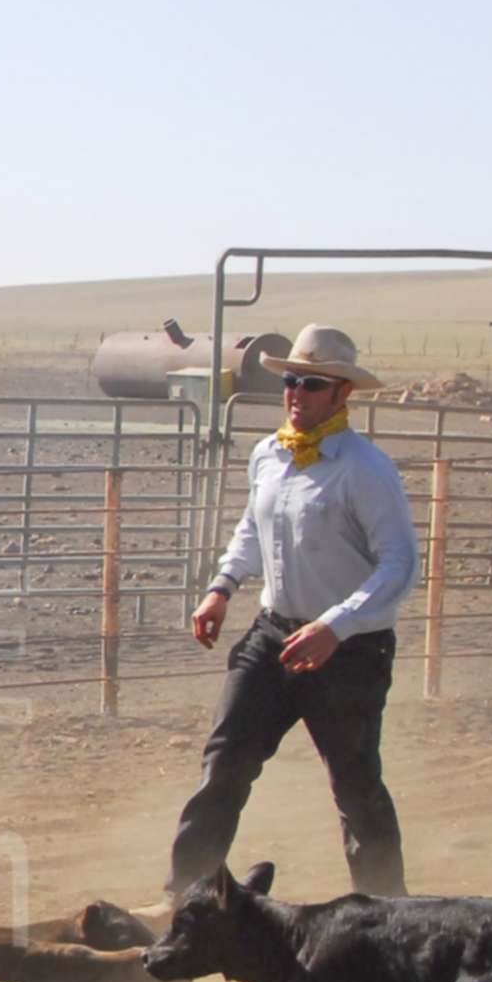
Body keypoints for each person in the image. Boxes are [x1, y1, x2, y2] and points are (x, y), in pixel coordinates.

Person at [167, 323, 419, 899]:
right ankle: (184, 900)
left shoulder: (366, 470)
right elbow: (253, 528)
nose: (295, 394)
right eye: (290, 382)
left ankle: (386, 915)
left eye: (311, 383)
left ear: (341, 394)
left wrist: (336, 625)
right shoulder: (269, 455)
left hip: (348, 651)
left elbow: (399, 564)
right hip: (273, 635)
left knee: (355, 788)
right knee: (224, 763)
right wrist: (223, 585)